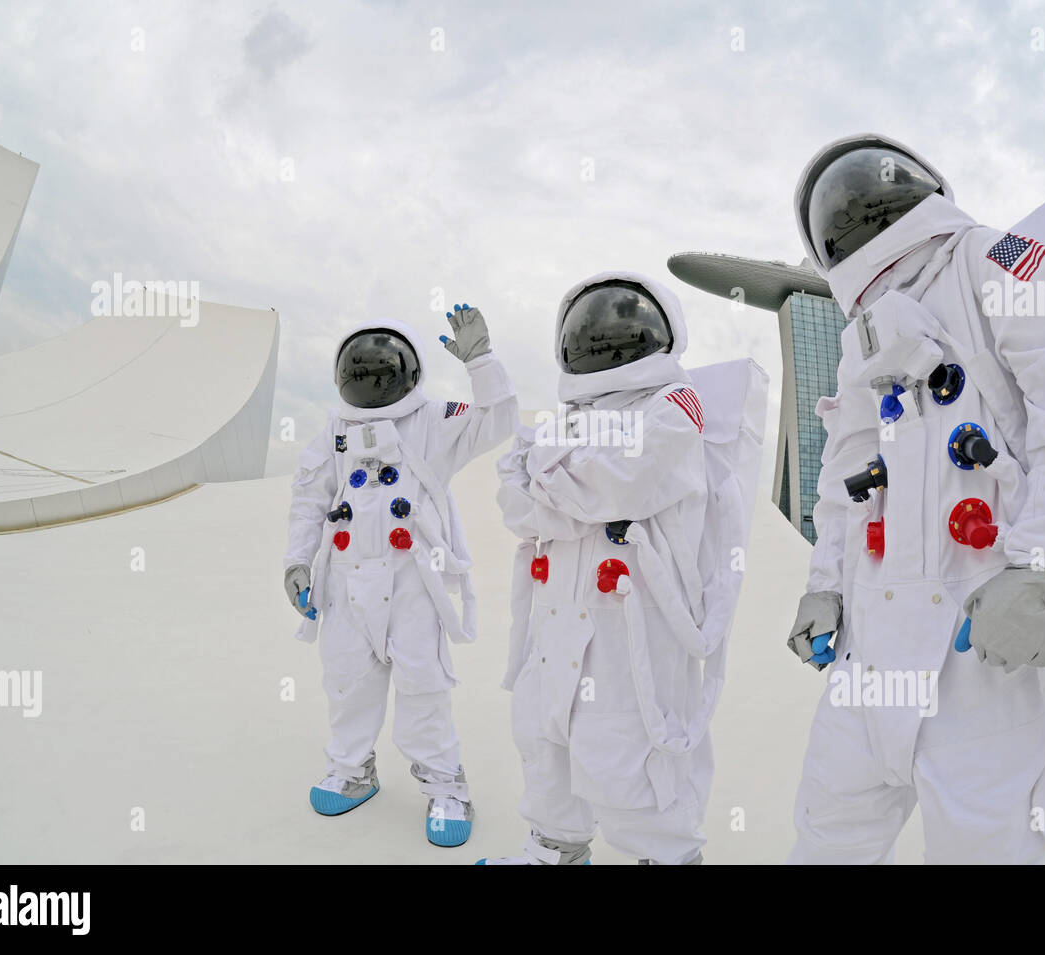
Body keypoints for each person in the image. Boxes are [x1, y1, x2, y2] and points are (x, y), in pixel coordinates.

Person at [786, 134, 1045, 864]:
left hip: (986, 635)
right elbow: (845, 478)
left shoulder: (997, 258)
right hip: (874, 645)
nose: (862, 217)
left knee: (989, 849)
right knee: (827, 838)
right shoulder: (862, 341)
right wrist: (825, 585)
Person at [480, 272, 735, 865]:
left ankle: (667, 856)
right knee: (545, 739)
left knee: (627, 752)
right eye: (595, 338)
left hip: (630, 630)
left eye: (619, 337)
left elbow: (622, 484)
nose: (605, 348)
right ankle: (556, 848)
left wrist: (551, 481)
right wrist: (569, 491)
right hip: (557, 620)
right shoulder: (563, 420)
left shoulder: (675, 406)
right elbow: (514, 506)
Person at [283, 306, 516, 847]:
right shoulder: (334, 431)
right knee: (346, 682)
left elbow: (497, 420)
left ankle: (445, 786)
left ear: (408, 374)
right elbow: (309, 499)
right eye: (361, 374)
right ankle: (353, 770)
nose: (372, 382)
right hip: (345, 581)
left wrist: (482, 362)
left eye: (381, 373)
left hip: (414, 581)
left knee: (423, 683)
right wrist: (298, 563)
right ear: (344, 378)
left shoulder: (434, 420)